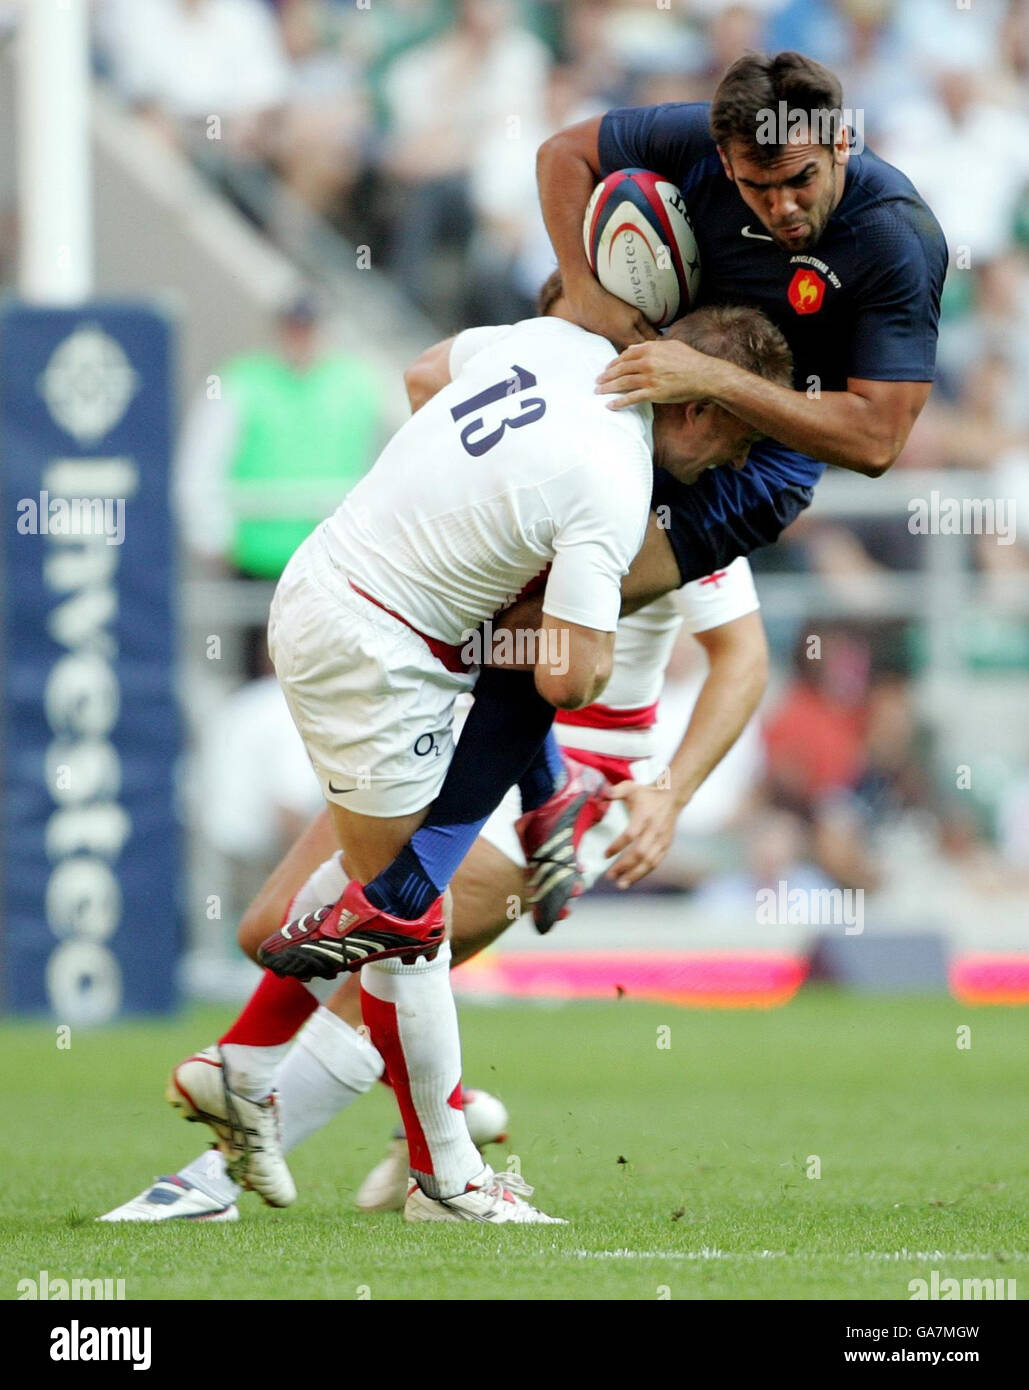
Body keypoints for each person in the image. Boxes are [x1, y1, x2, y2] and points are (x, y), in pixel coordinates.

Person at [166, 299, 781, 1225]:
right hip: (454, 708)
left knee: (393, 936)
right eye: (736, 438)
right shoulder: (609, 466)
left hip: (580, 768)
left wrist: (668, 788)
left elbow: (740, 656)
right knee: (279, 933)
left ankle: (266, 1170)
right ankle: (434, 1116)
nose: (739, 464)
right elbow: (549, 665)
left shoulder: (688, 513)